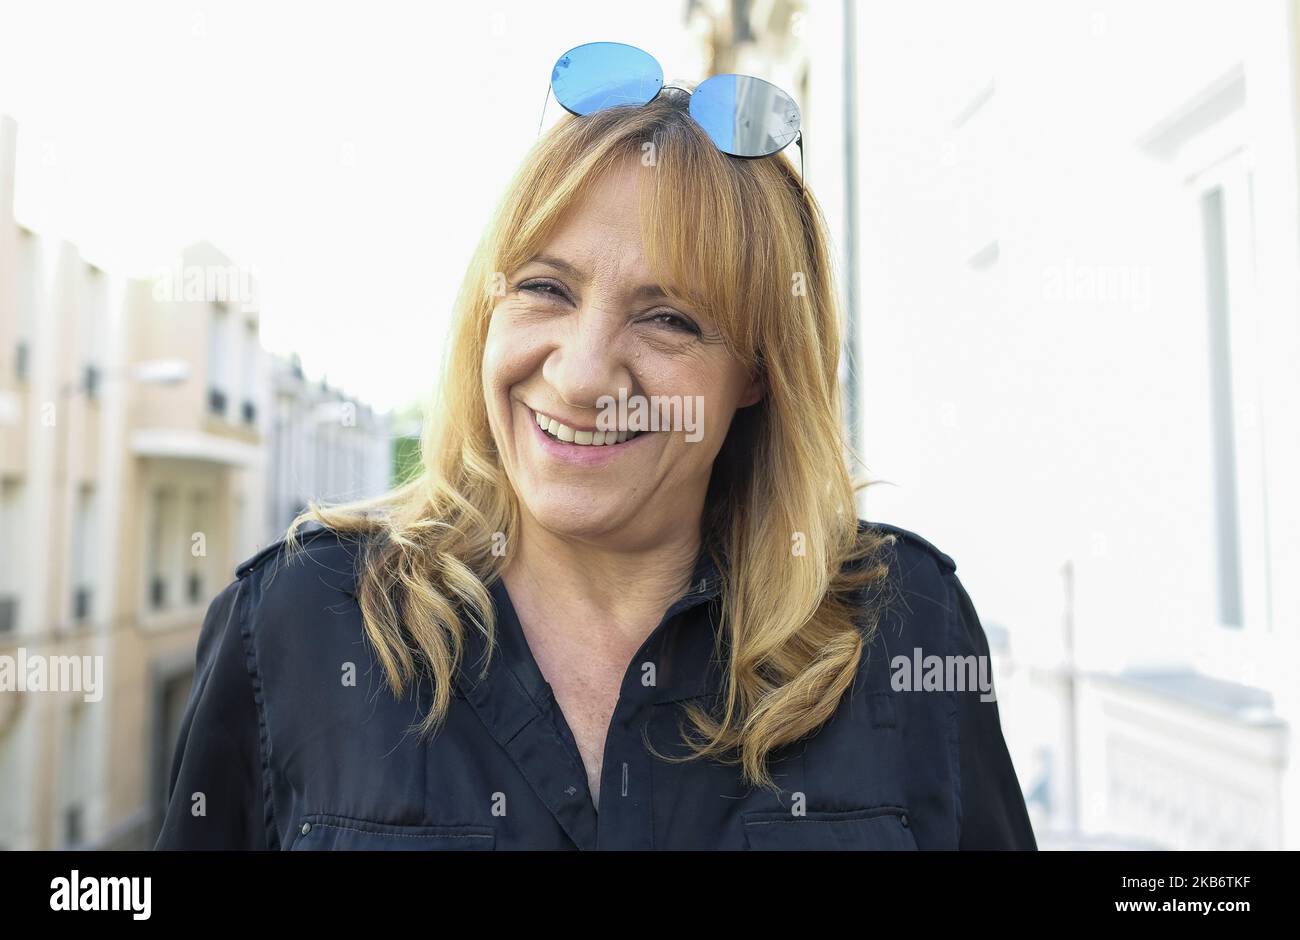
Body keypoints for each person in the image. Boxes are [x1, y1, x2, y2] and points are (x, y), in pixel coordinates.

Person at [155, 80, 1036, 851]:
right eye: (546, 288)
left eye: (670, 320)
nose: (579, 376)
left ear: (759, 374)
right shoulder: (293, 625)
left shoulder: (903, 631)